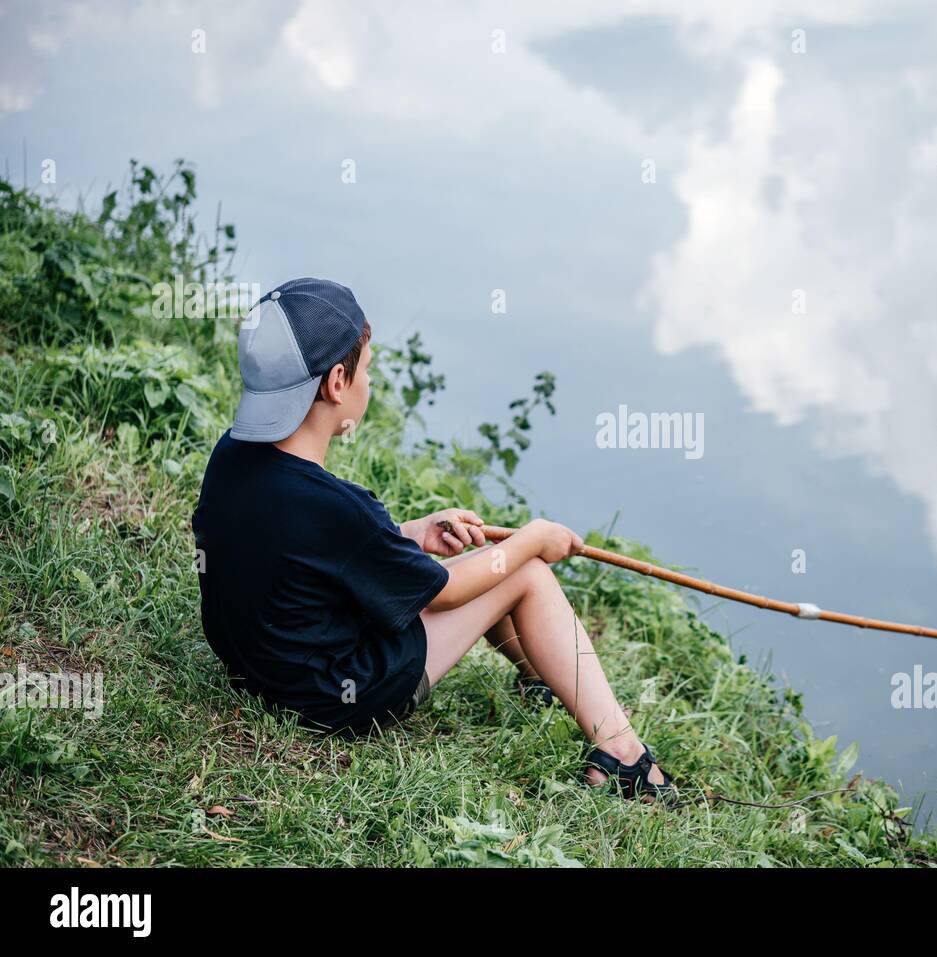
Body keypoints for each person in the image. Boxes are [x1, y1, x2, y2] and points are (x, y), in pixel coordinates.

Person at [191, 278, 675, 802]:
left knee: (499, 565)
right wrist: (535, 538)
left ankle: (547, 675)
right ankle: (623, 757)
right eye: (368, 369)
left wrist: (410, 535)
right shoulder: (336, 509)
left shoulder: (233, 455)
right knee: (524, 574)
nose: (369, 380)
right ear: (337, 383)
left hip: (255, 665)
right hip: (331, 695)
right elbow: (443, 591)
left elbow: (310, 551)